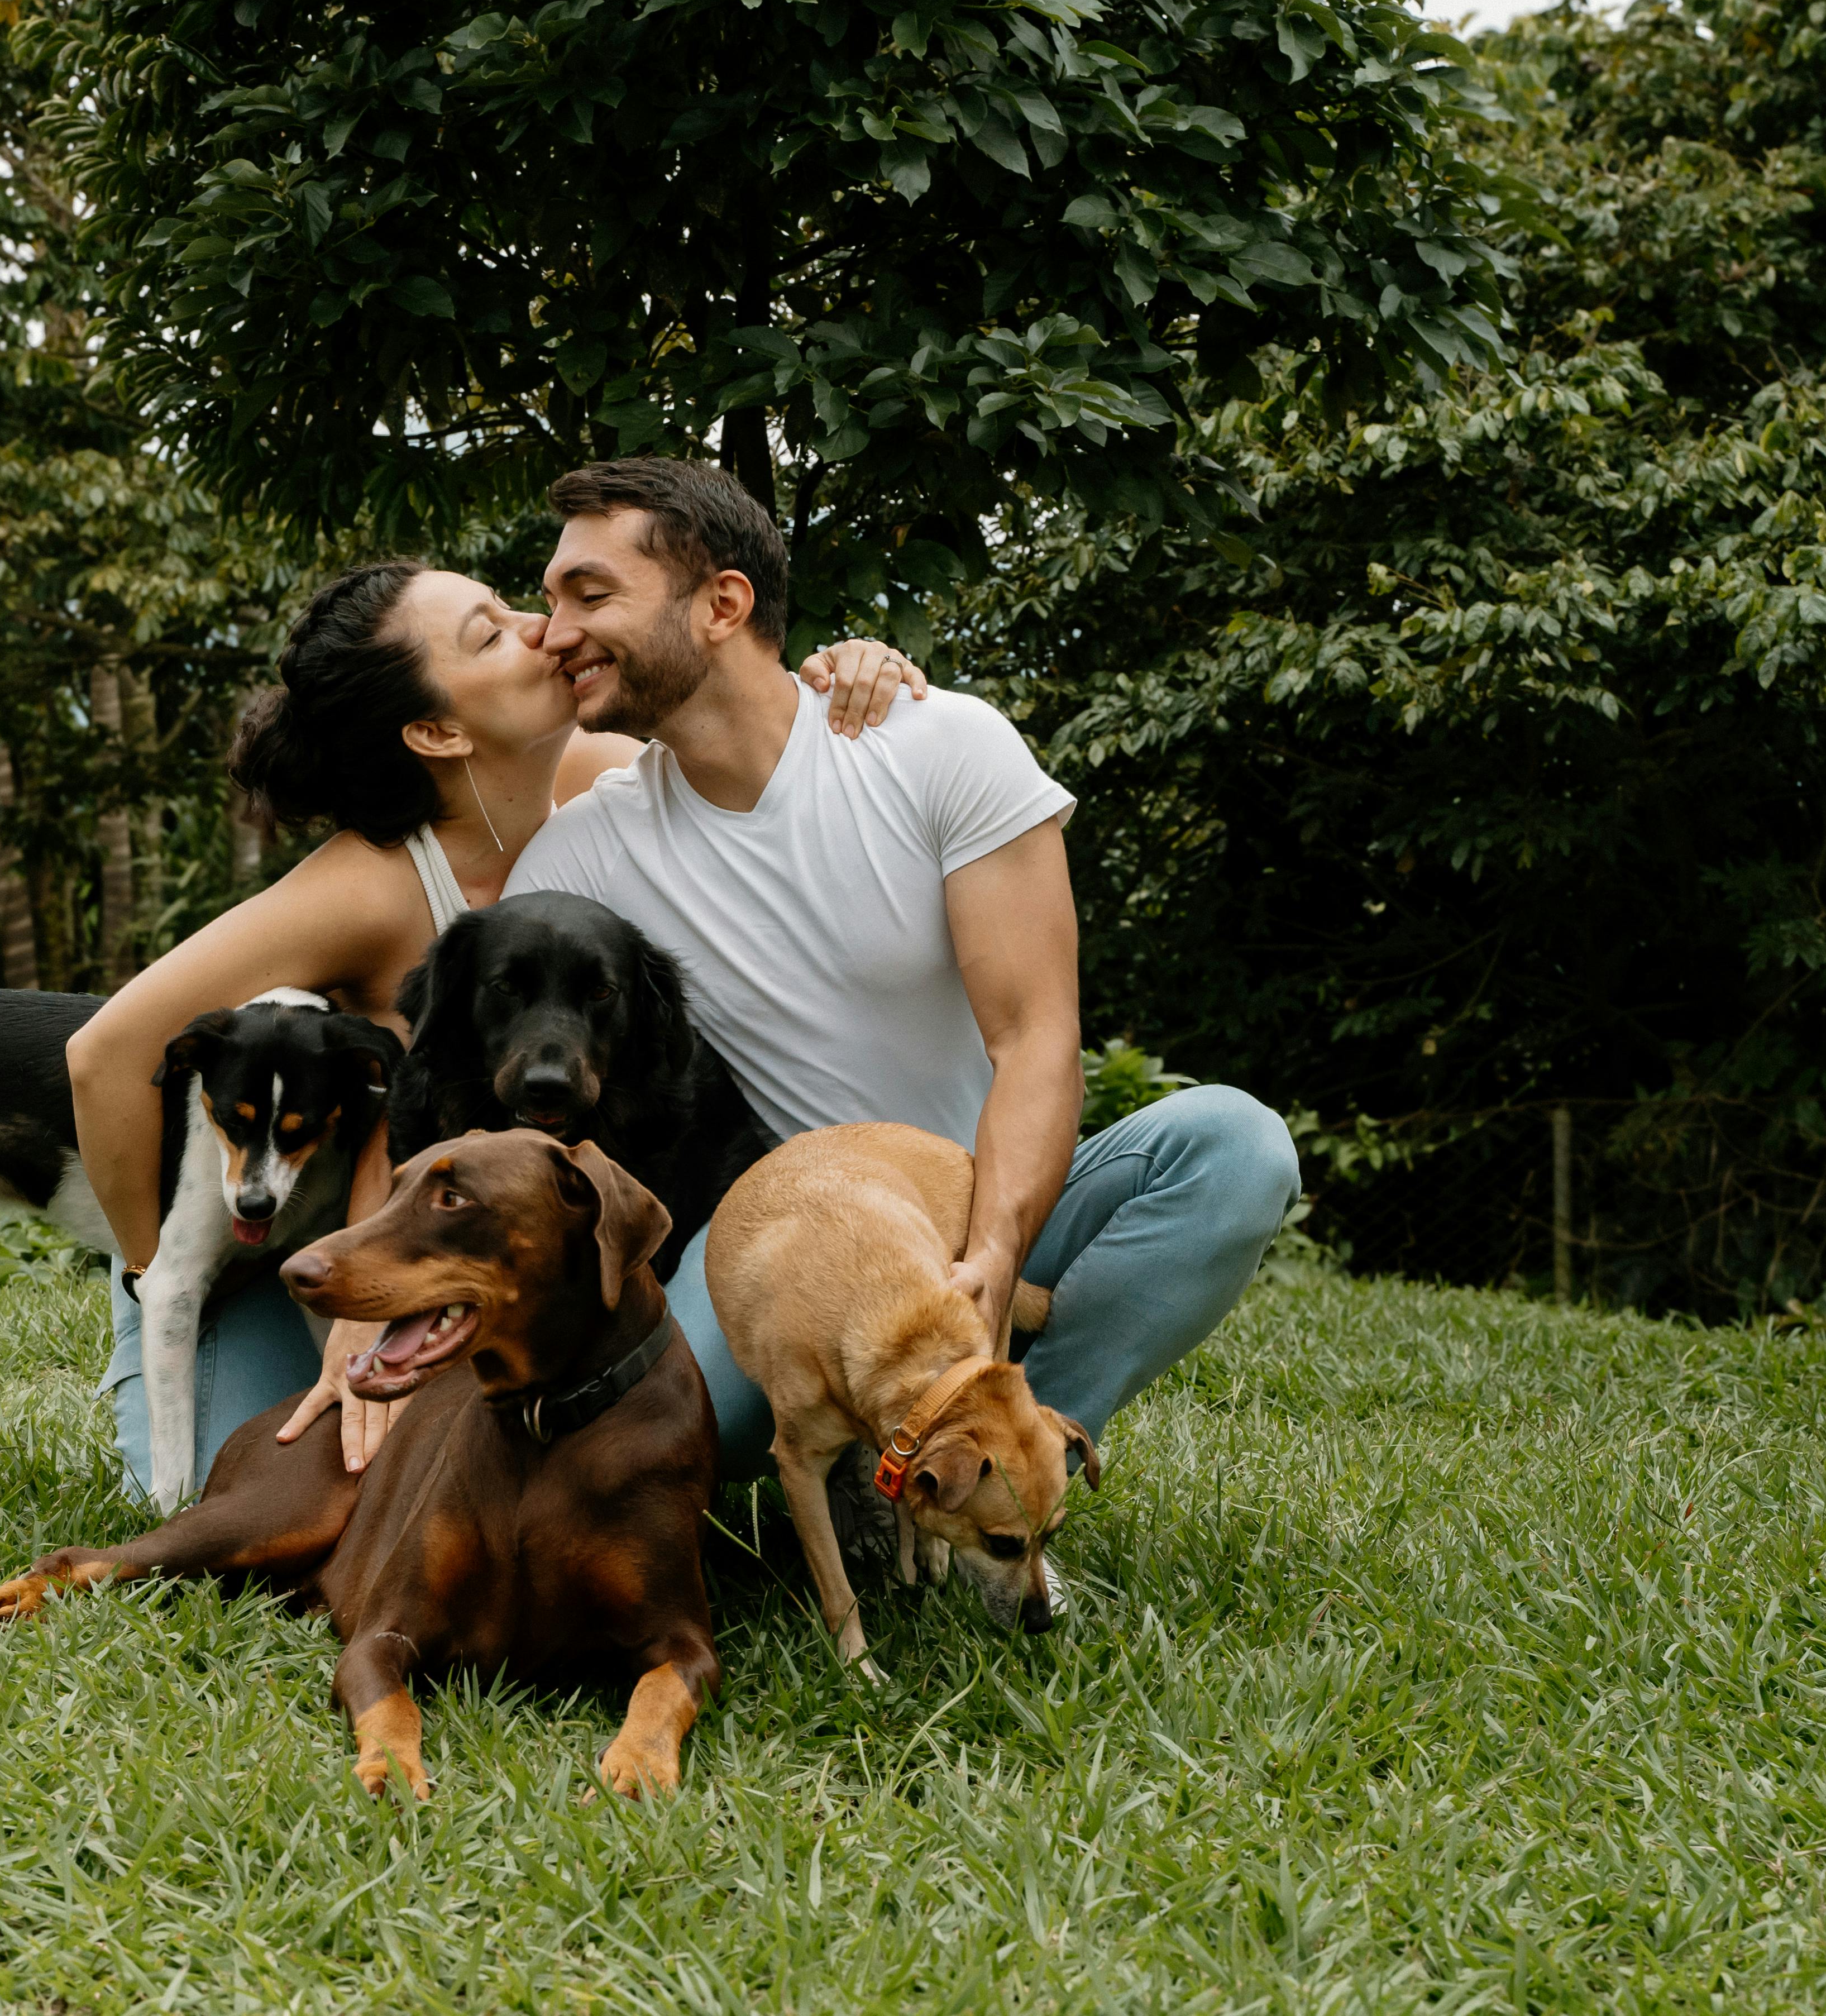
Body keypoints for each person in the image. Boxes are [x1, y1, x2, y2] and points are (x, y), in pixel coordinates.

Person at [462, 456, 1302, 1492]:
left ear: (724, 603)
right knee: (661, 1448)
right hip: (806, 1258)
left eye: (590, 594)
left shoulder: (938, 744)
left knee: (1234, 1147)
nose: (552, 630)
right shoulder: (582, 859)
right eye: (547, 602)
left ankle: (1000, 1463)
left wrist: (992, 1262)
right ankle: (867, 1453)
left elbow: (1035, 1038)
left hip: (992, 1210)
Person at [66, 558, 926, 1499]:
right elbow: (101, 1057)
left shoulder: (607, 775)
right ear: (437, 731)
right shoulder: (366, 887)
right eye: (490, 632)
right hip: (256, 1252)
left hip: (426, 1238)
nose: (541, 627)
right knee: (270, 1504)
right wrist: (165, 1274)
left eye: (518, 605)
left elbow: (765, 728)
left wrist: (856, 666)